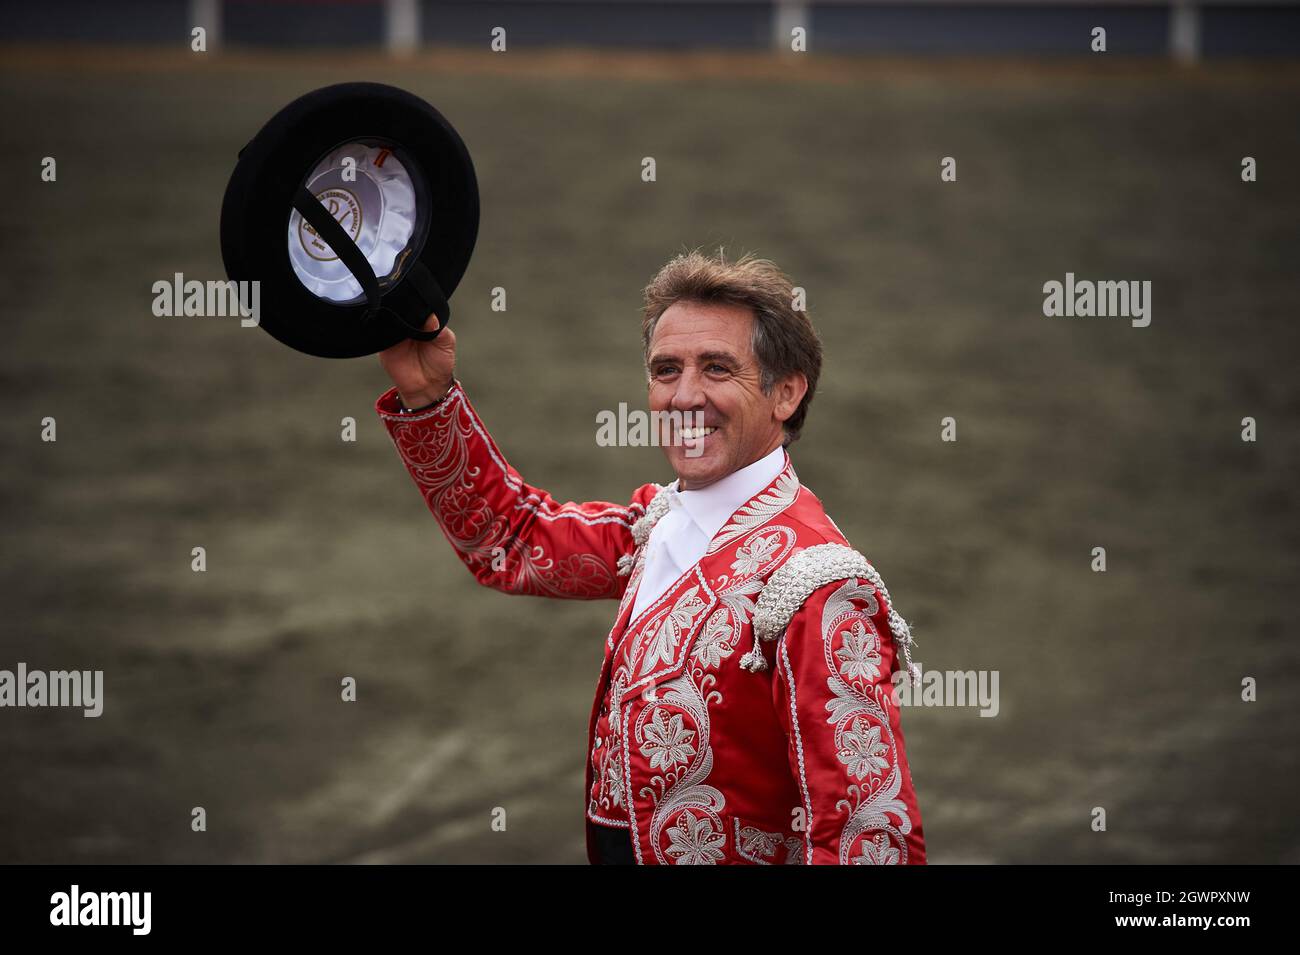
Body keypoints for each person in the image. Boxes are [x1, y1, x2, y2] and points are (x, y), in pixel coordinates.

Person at [375, 249, 926, 864]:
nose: (684, 396)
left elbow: (869, 837)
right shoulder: (658, 524)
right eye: (666, 371)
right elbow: (510, 542)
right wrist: (427, 393)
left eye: (717, 368)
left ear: (786, 393)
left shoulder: (817, 584)